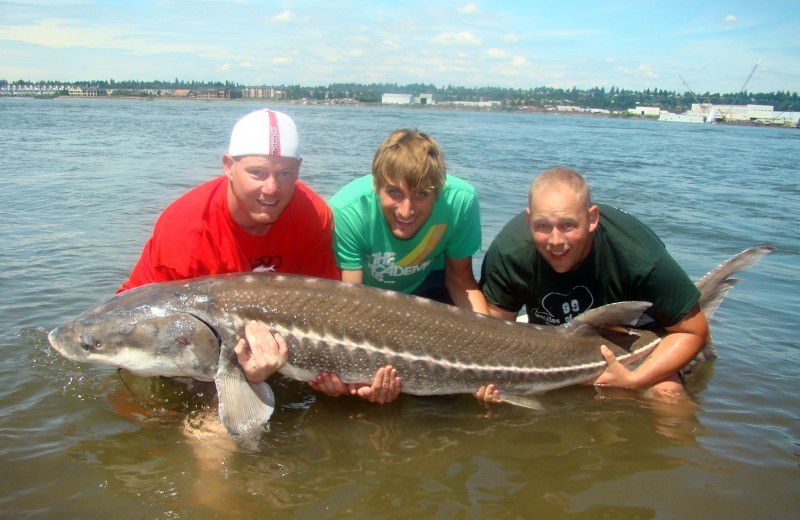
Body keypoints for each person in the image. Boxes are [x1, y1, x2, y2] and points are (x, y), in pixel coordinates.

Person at [118, 108, 338, 385]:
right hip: (178, 345)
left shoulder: (313, 214)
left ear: (298, 170)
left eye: (284, 173)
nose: (271, 188)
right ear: (228, 166)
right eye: (257, 172)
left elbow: (328, 308)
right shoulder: (186, 231)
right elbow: (150, 325)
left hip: (270, 345)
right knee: (206, 428)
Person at [478, 166, 709, 400]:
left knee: (668, 392)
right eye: (543, 226)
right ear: (529, 220)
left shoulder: (639, 255)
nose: (556, 241)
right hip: (556, 347)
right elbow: (495, 336)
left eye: (568, 225)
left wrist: (633, 381)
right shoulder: (509, 253)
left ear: (592, 218)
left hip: (634, 334)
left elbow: (695, 332)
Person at [313, 129, 489, 402]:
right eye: (394, 192)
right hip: (369, 302)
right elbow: (351, 304)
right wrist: (362, 380)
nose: (406, 211)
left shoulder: (461, 201)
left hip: (429, 286)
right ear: (376, 185)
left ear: (438, 190)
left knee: (453, 396)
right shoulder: (347, 211)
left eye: (421, 194)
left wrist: (489, 347)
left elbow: (461, 281)